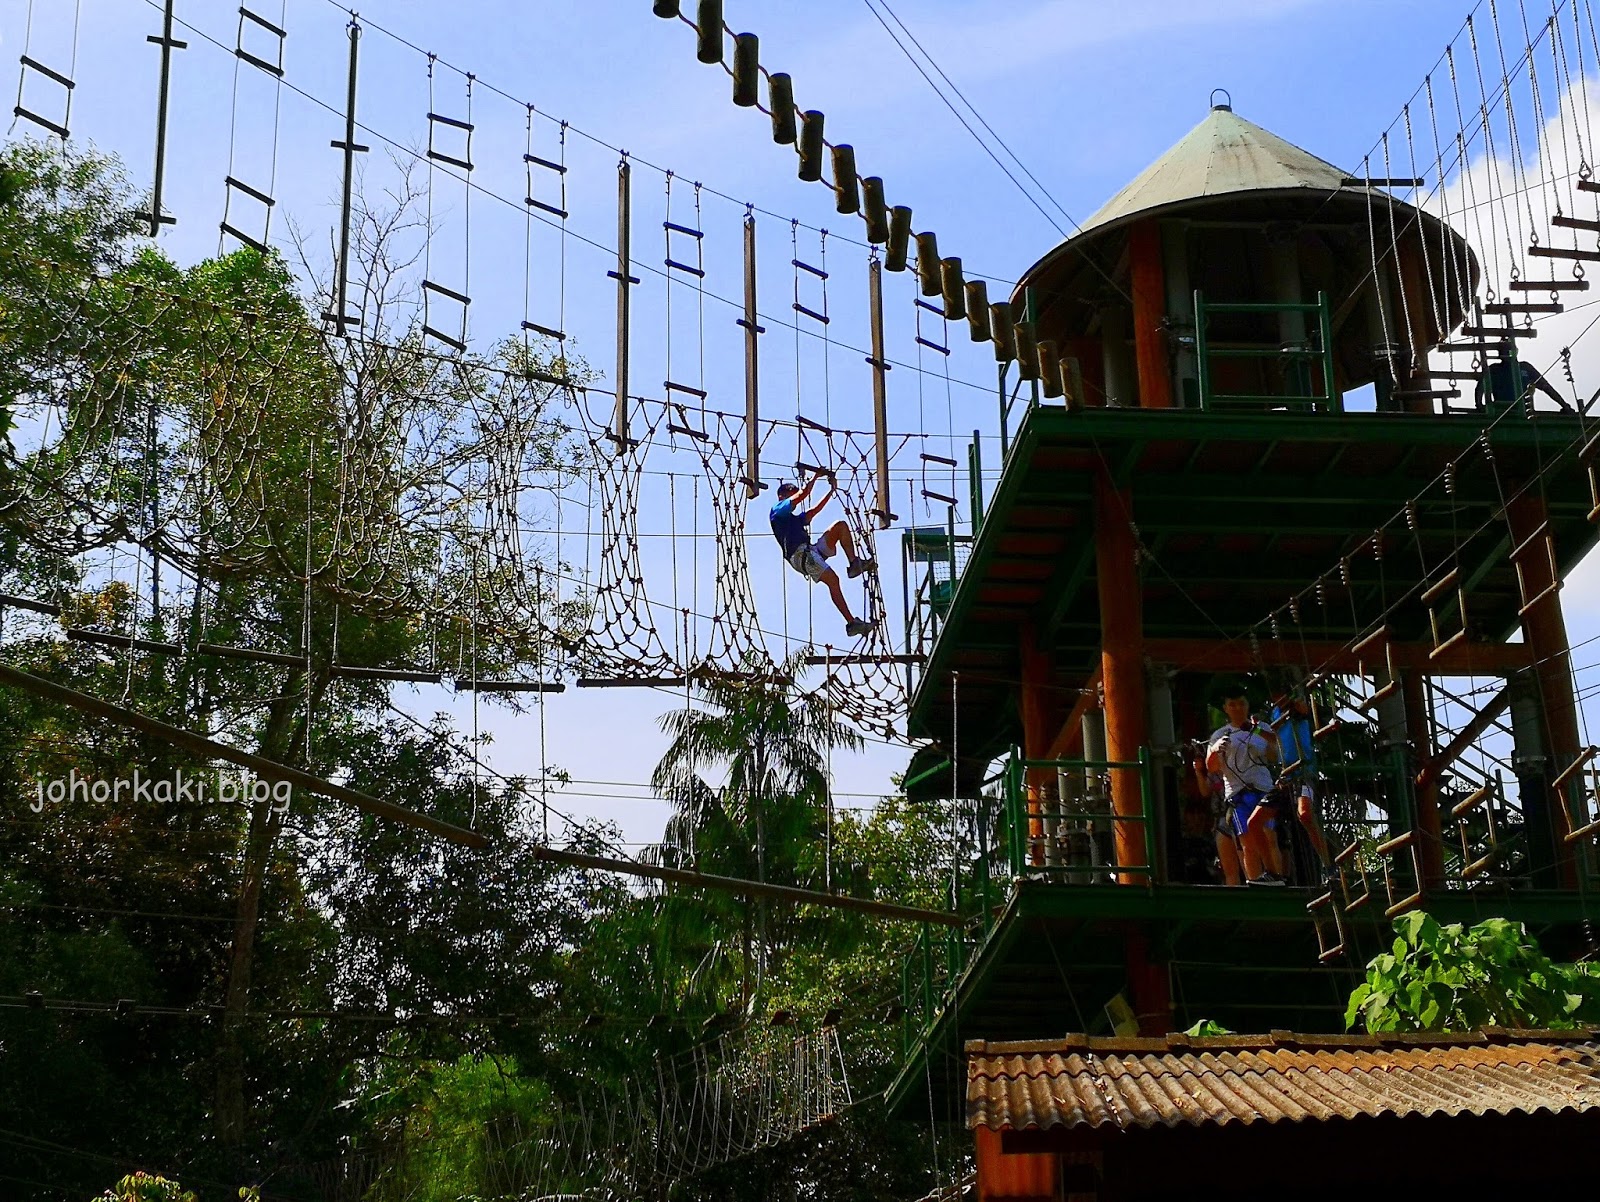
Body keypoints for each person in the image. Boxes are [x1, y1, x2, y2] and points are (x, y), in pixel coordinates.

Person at [769, 470, 876, 637]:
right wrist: (816, 476)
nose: (795, 499)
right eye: (791, 494)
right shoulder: (777, 511)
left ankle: (854, 563)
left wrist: (831, 491)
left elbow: (814, 511)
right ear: (782, 496)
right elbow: (802, 494)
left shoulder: (792, 519)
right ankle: (851, 623)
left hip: (810, 551)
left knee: (839, 526)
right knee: (833, 580)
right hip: (800, 556)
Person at [1206, 686, 1286, 885]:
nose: (1237, 708)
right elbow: (1211, 767)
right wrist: (1216, 751)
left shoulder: (1261, 728)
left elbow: (1275, 754)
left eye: (1241, 703)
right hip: (1238, 793)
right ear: (1225, 708)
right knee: (1246, 840)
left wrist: (1256, 730)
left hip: (1262, 788)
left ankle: (1277, 877)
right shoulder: (1220, 734)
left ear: (1247, 705)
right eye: (1232, 704)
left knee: (1269, 836)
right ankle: (1256, 880)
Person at [1189, 741, 1243, 886]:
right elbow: (1205, 791)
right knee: (1228, 868)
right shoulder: (1214, 775)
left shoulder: (1238, 768)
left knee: (1246, 860)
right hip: (1221, 820)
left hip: (1240, 815)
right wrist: (1198, 772)